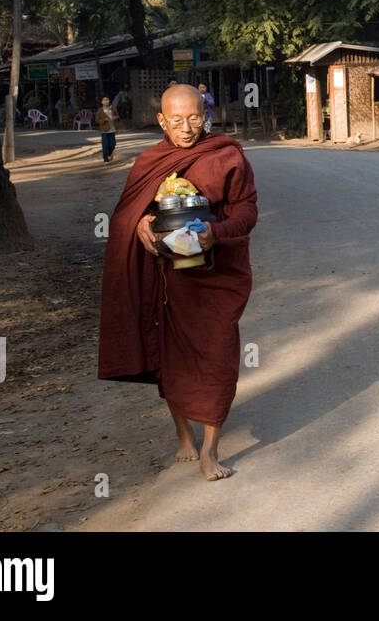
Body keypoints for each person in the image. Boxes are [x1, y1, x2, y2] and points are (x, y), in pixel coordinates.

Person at [98, 84, 258, 481]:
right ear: (161, 121)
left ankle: (210, 449)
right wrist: (139, 225)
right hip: (170, 277)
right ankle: (183, 433)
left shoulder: (226, 155)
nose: (186, 129)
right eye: (176, 121)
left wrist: (215, 234)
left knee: (218, 351)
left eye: (194, 118)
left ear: (205, 114)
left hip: (217, 274)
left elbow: (247, 211)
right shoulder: (150, 162)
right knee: (172, 354)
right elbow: (127, 215)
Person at [97, 96, 119, 163]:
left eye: (107, 100)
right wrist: (104, 120)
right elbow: (97, 120)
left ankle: (109, 154)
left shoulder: (112, 109)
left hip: (112, 130)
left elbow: (117, 116)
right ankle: (105, 159)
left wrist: (115, 117)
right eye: (104, 100)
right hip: (104, 130)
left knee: (113, 144)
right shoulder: (100, 110)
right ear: (102, 102)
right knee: (105, 145)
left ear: (109, 101)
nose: (106, 101)